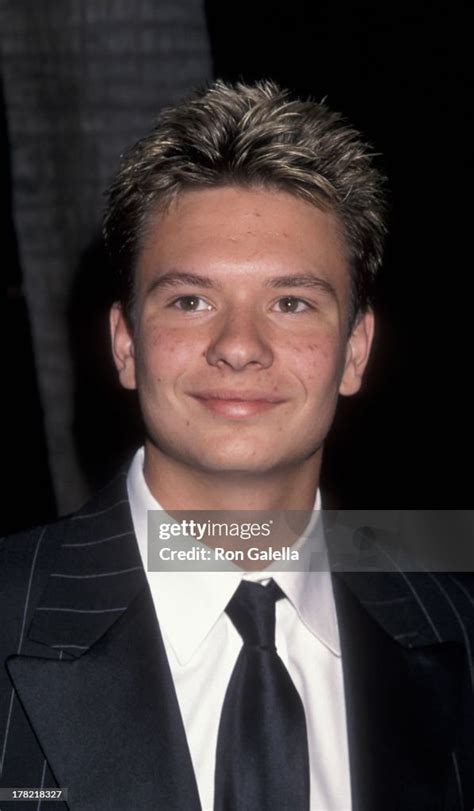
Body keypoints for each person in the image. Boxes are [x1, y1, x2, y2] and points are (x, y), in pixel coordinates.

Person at [0, 80, 472, 811]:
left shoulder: (459, 630)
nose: (240, 346)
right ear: (126, 344)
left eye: (291, 303)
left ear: (355, 349)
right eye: (191, 299)